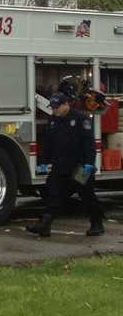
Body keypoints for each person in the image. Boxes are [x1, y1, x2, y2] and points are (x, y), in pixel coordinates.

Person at [26, 92, 105, 237]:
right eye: (53, 107)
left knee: (86, 195)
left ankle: (97, 223)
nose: (54, 110)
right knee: (53, 193)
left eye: (57, 107)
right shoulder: (53, 120)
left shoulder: (81, 118)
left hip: (80, 166)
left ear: (66, 104)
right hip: (60, 165)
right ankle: (45, 224)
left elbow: (89, 143)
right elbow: (49, 143)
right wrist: (43, 161)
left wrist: (89, 163)